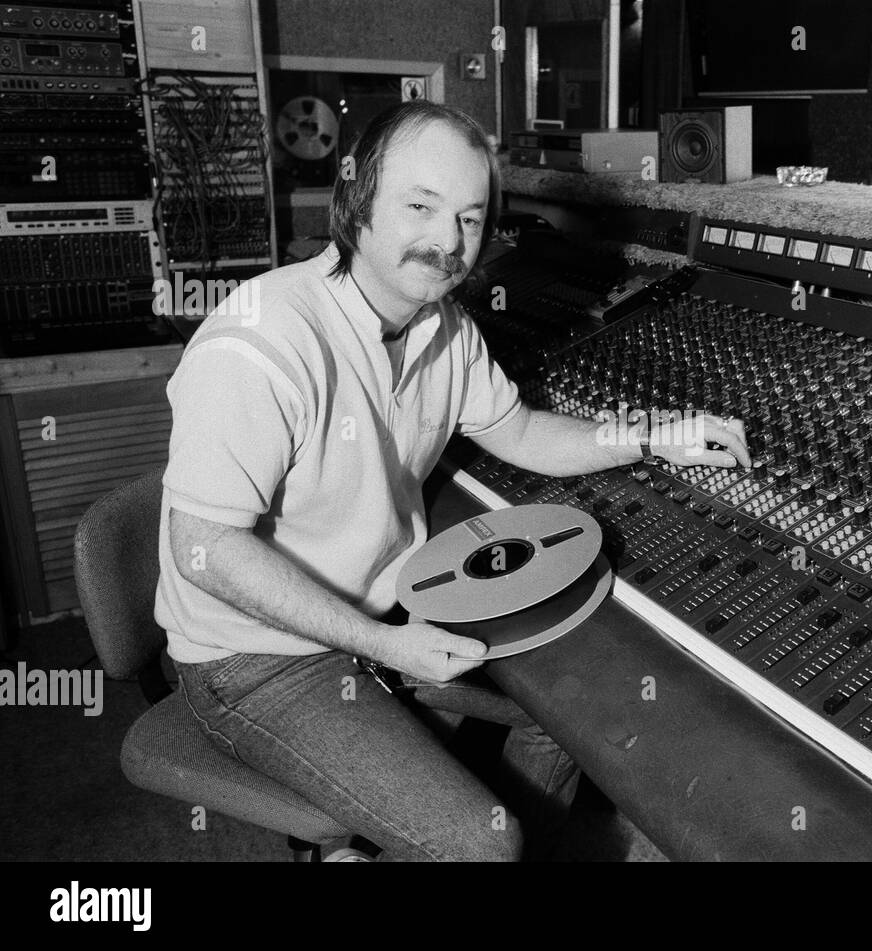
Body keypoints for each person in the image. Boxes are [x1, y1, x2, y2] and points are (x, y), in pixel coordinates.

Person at [155, 101, 751, 861]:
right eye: (421, 206)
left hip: (377, 622)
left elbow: (524, 431)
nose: (448, 242)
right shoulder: (262, 342)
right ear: (356, 201)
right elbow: (206, 546)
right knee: (481, 842)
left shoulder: (445, 329)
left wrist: (655, 436)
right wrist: (384, 644)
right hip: (252, 657)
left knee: (575, 719)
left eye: (470, 219)